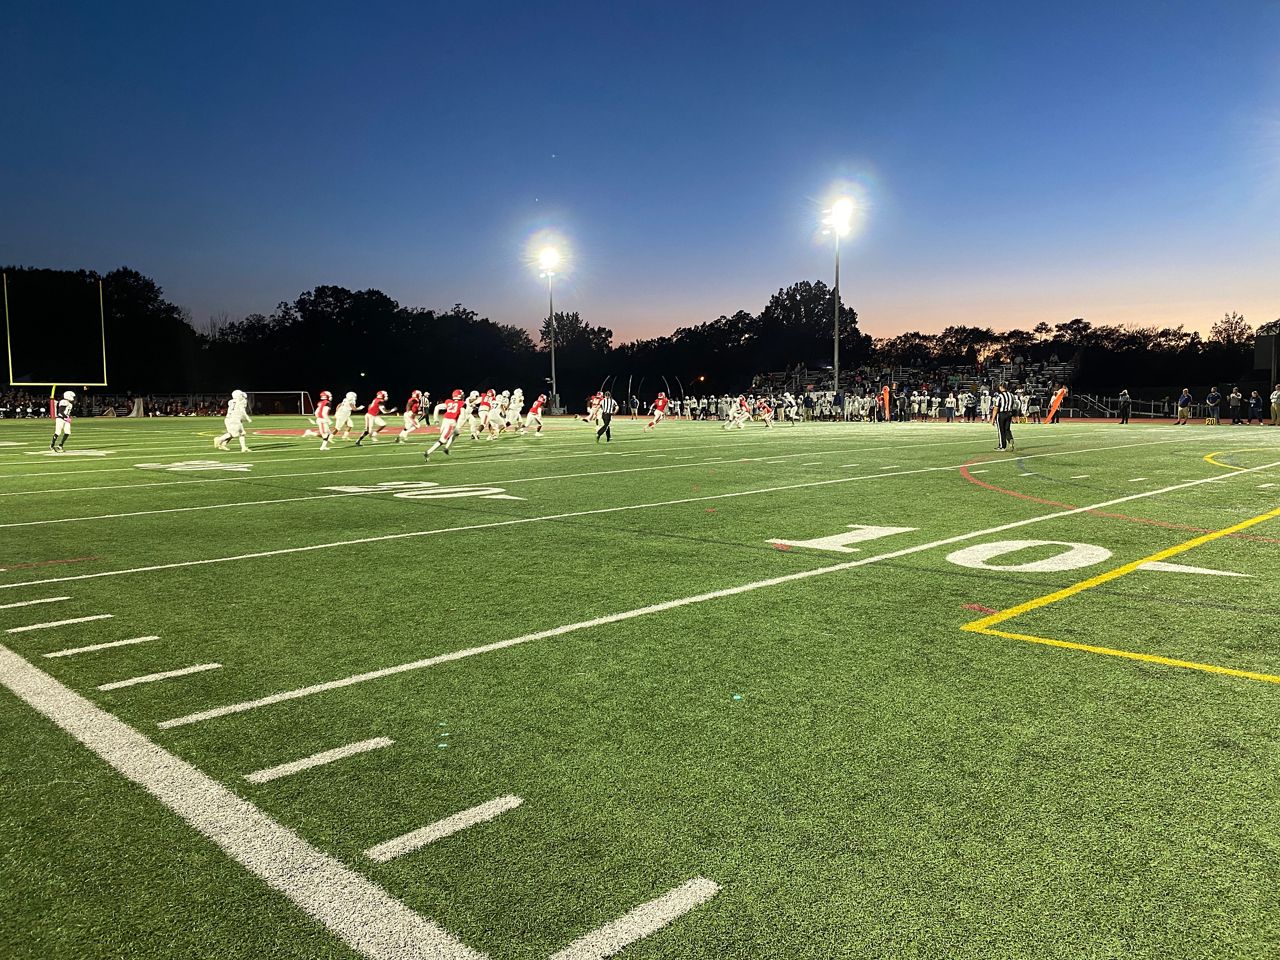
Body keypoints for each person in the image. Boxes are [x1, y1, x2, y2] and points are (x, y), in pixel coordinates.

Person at [423, 389, 465, 460]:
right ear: (460, 396)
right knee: (443, 440)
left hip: (445, 420)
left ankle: (446, 448)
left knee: (456, 432)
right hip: (451, 422)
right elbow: (463, 416)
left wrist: (436, 419)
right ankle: (427, 452)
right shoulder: (462, 403)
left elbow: (437, 407)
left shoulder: (449, 402)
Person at [992, 381, 1015, 451]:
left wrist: (993, 418)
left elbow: (996, 408)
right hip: (1009, 413)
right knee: (1007, 429)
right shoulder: (1011, 395)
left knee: (1001, 430)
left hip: (1001, 414)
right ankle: (1010, 439)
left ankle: (1002, 446)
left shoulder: (1000, 396)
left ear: (1001, 387)